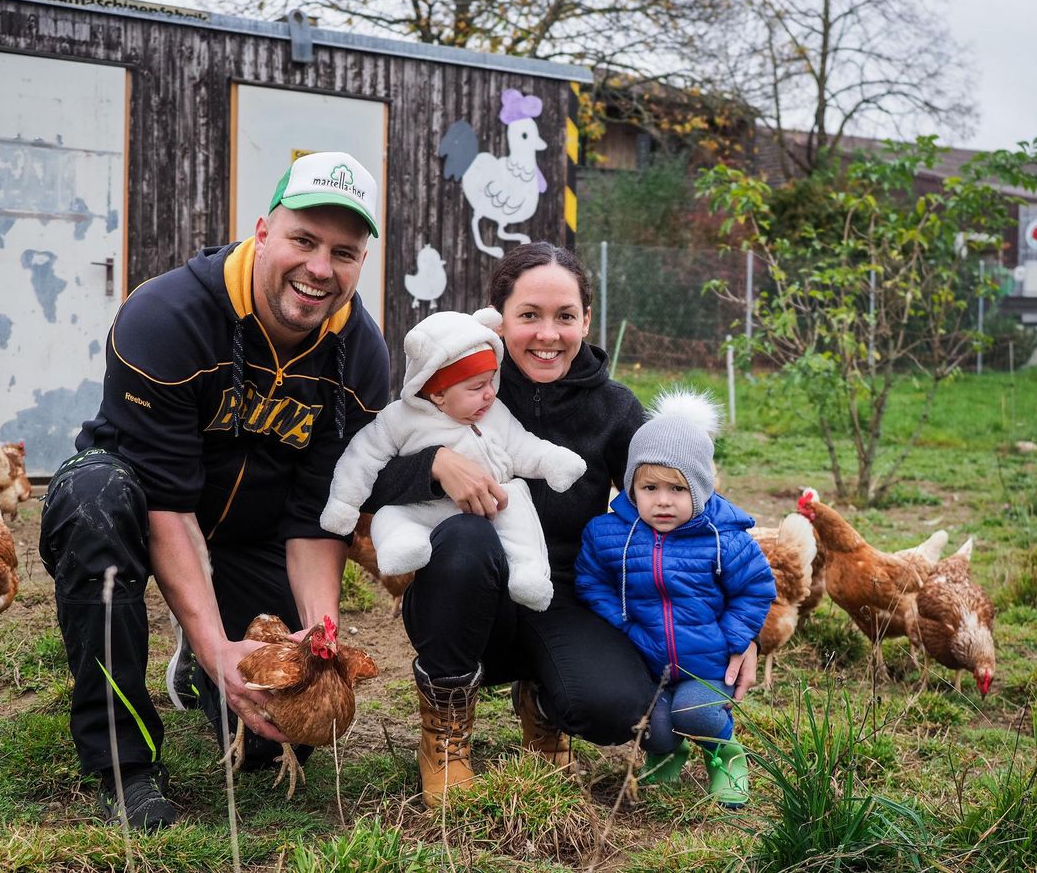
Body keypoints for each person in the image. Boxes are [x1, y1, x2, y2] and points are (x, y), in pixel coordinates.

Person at [38, 151, 390, 829]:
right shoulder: (167, 316)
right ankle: (125, 763)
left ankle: (201, 673)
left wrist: (316, 637)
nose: (320, 268)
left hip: (254, 534)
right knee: (95, 502)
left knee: (273, 733)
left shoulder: (360, 359)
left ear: (362, 262)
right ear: (263, 231)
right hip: (143, 510)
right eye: (304, 240)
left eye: (343, 252)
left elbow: (319, 517)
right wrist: (213, 641)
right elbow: (169, 505)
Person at [362, 242, 762, 806]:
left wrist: (740, 627)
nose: (548, 334)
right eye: (529, 316)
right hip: (464, 591)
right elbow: (362, 473)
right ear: (500, 319)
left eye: (564, 317)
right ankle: (444, 732)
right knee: (467, 537)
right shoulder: (452, 385)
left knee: (621, 710)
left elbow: (687, 497)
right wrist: (432, 465)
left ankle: (545, 702)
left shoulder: (616, 410)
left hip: (564, 593)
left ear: (586, 321)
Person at [574, 390, 776, 807]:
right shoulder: (609, 534)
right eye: (649, 487)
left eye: (678, 488)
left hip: (708, 664)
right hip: (647, 662)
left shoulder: (725, 539)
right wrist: (623, 622)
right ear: (631, 487)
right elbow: (591, 582)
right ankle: (667, 754)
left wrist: (734, 638)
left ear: (700, 488)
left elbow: (755, 589)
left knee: (694, 714)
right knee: (657, 724)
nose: (662, 500)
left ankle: (726, 757)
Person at [321, 308, 587, 612]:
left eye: (491, 381)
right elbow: (362, 456)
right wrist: (343, 505)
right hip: (423, 510)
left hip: (493, 505)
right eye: (477, 387)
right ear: (438, 394)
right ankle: (403, 546)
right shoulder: (401, 420)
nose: (490, 395)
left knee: (518, 511)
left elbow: (522, 445)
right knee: (392, 519)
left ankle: (527, 575)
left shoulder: (495, 414)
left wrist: (552, 461)